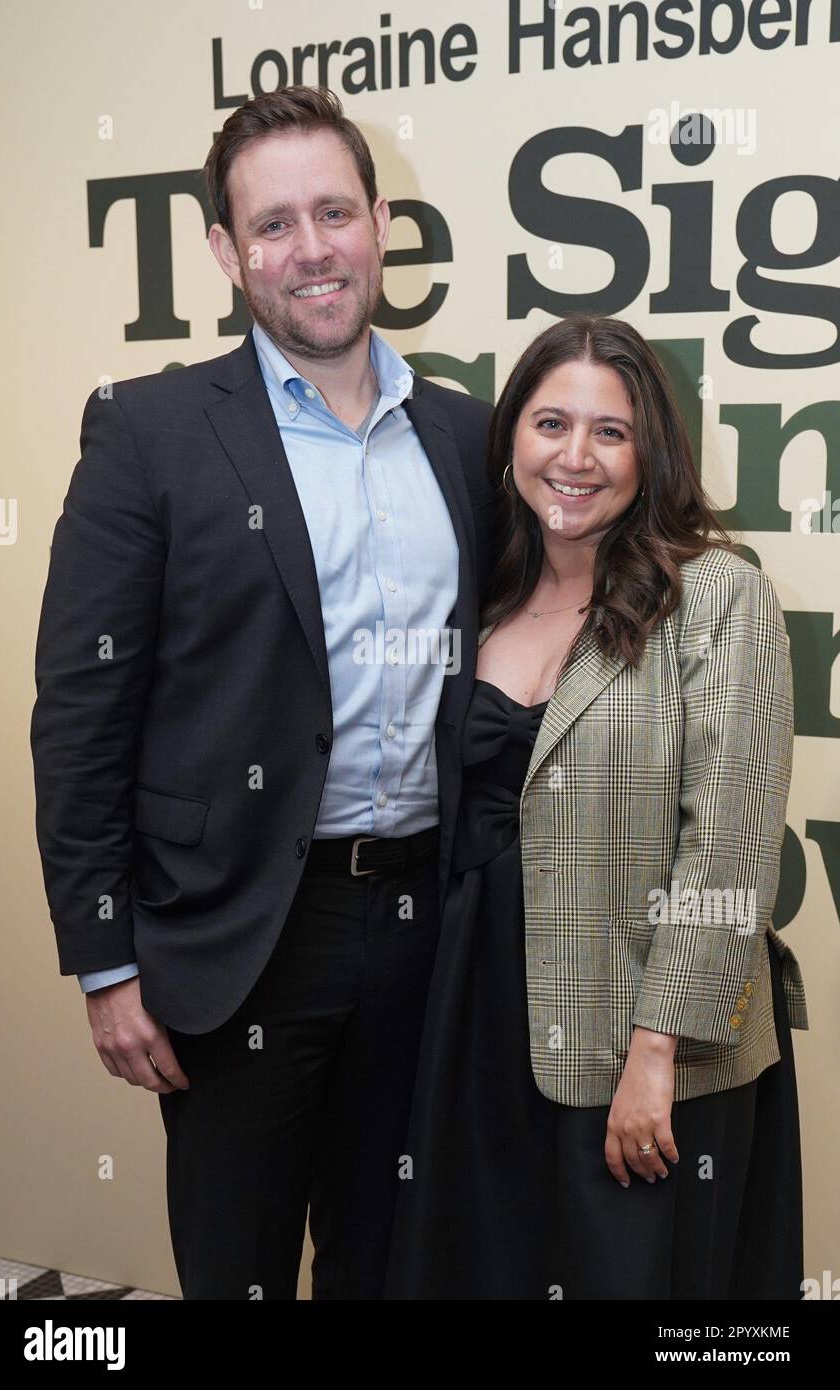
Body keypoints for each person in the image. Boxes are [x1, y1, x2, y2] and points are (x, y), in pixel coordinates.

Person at [29, 85, 495, 1300]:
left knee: (391, 1261)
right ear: (229, 253)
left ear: (381, 222)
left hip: (422, 928)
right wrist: (104, 960)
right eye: (275, 224)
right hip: (237, 936)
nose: (313, 248)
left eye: (334, 212)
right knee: (234, 1269)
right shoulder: (151, 430)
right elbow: (82, 711)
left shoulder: (464, 436)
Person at [384, 312, 809, 1300]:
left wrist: (654, 1054)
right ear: (510, 440)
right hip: (472, 1012)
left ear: (648, 449)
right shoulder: (481, 587)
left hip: (631, 1023)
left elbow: (728, 851)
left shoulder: (713, 596)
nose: (573, 457)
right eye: (548, 424)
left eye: (608, 432)